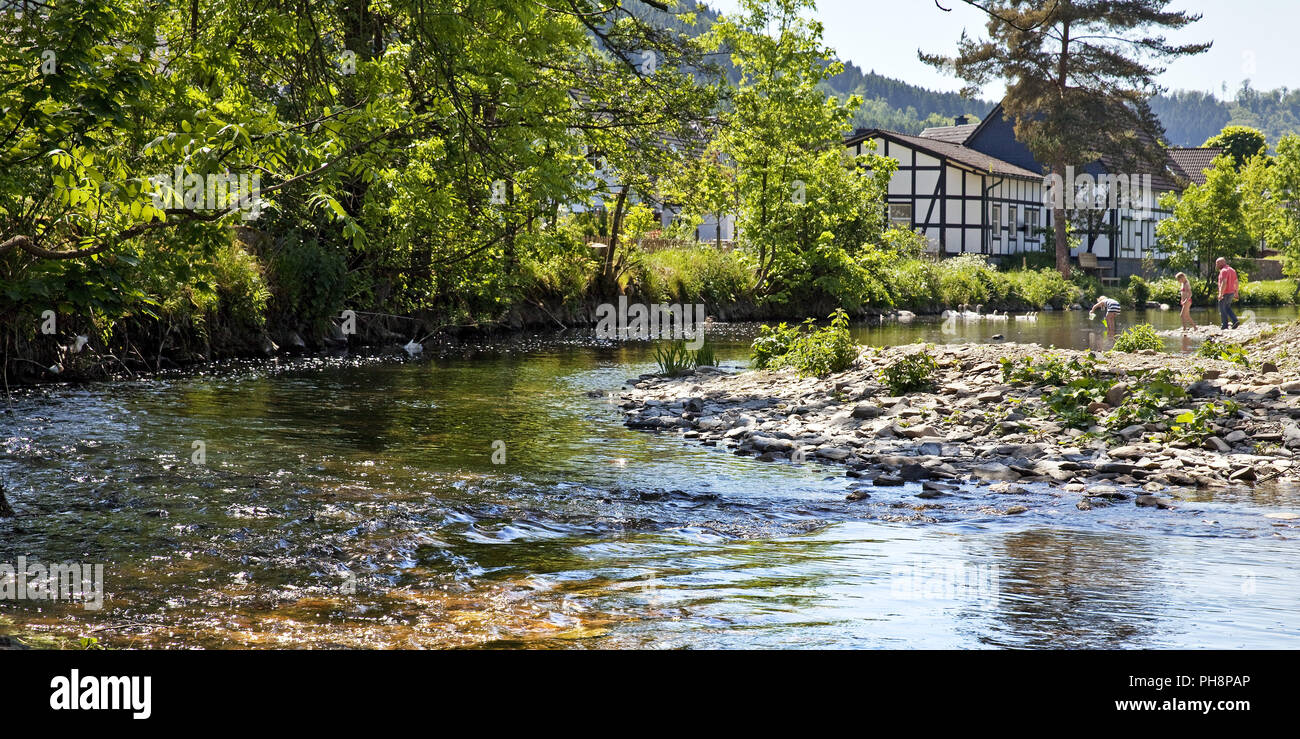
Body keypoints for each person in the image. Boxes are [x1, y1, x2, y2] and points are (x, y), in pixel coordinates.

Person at [1216, 257, 1240, 330]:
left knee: (1222, 309)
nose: (1216, 265)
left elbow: (1224, 282)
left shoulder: (1223, 271)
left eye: (1217, 263)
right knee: (1227, 308)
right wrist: (1236, 292)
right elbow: (1236, 282)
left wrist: (1220, 293)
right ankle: (1235, 320)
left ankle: (1224, 325)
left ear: (1222, 263)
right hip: (1231, 292)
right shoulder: (1232, 270)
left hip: (1225, 292)